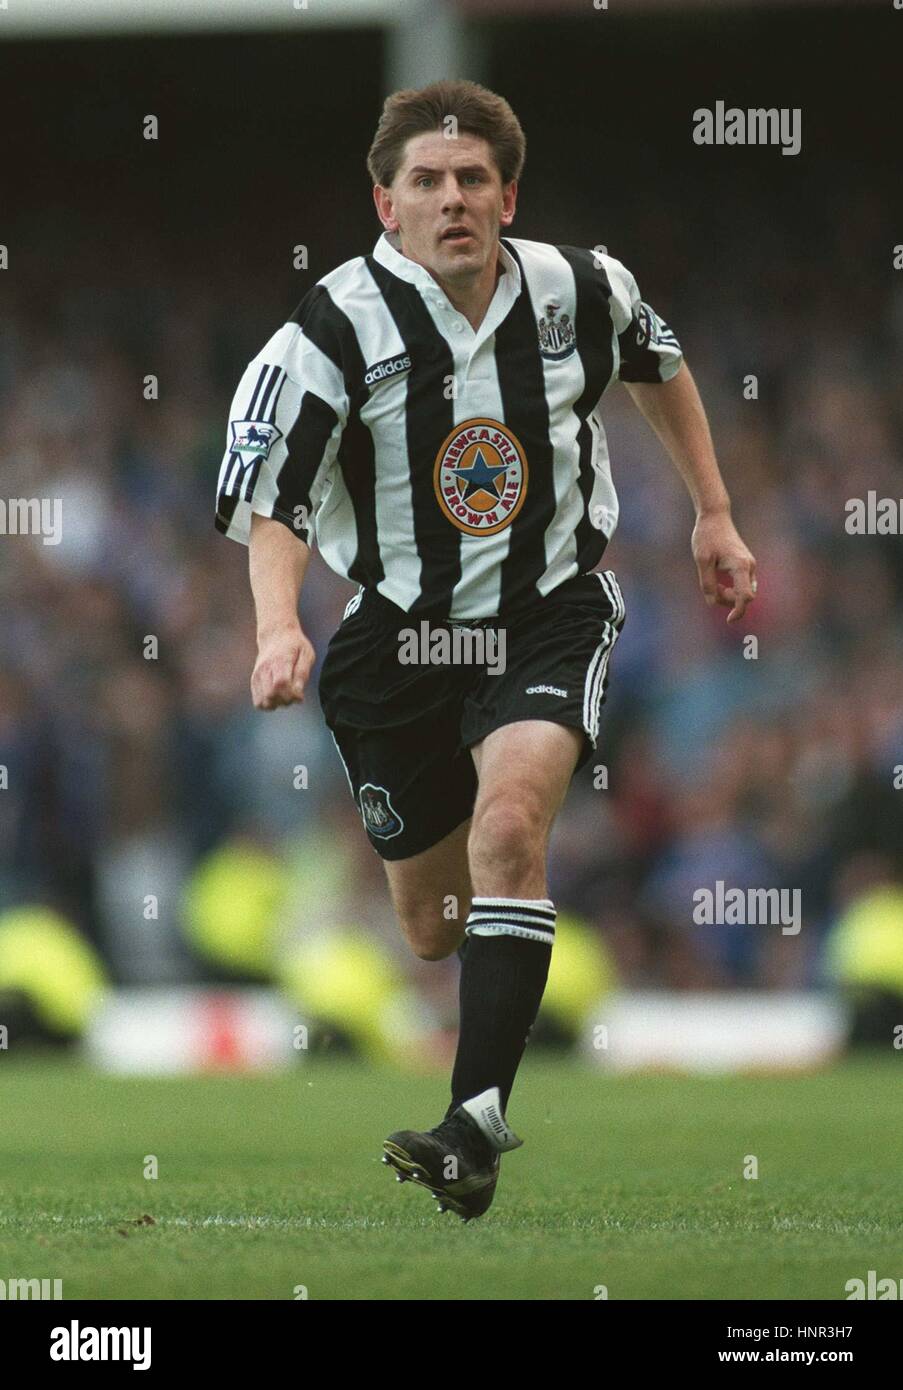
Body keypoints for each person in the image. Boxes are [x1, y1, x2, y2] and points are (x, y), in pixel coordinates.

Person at [215, 78, 757, 1221]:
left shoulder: (584, 288)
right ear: (385, 203)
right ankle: (499, 982)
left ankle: (474, 1119)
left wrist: (713, 509)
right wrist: (276, 626)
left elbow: (659, 363)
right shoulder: (331, 325)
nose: (451, 198)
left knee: (512, 829)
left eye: (472, 180)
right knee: (430, 927)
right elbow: (278, 501)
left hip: (546, 610)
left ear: (508, 197)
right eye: (426, 181)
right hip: (395, 640)